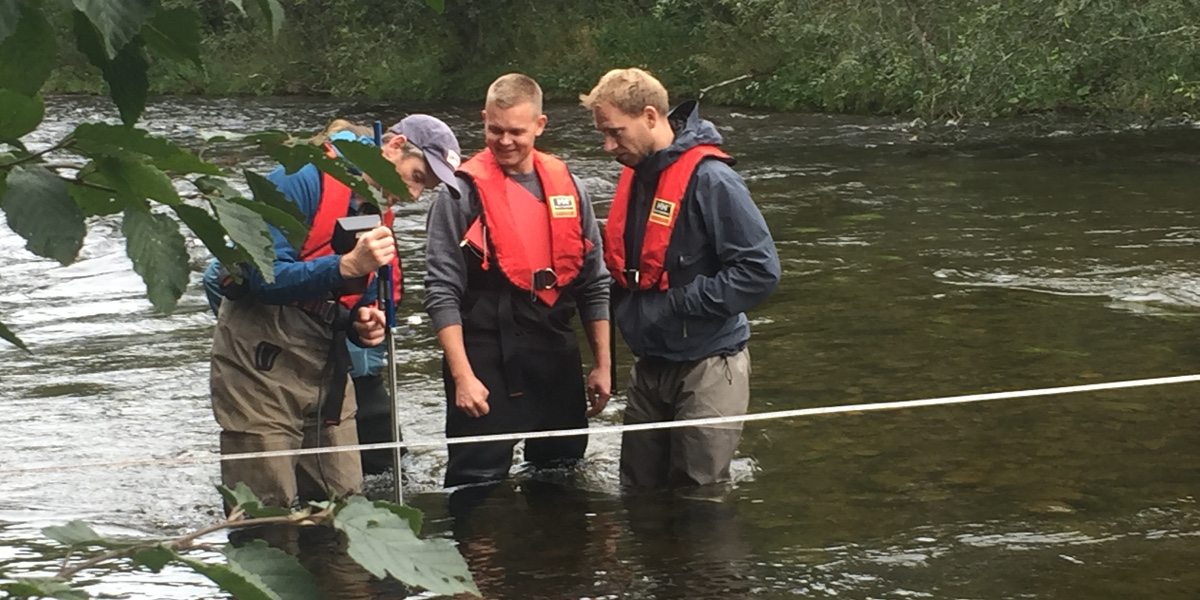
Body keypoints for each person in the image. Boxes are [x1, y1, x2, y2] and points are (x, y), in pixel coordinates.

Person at [210, 114, 463, 508]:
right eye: (416, 177)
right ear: (393, 148)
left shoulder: (378, 205)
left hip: (326, 360)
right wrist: (344, 267)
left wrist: (365, 319)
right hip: (258, 356)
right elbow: (263, 275)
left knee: (346, 504)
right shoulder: (301, 177)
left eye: (425, 188)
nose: (415, 194)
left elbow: (356, 288)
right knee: (266, 504)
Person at [580, 68, 781, 495]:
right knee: (639, 491)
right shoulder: (638, 175)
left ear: (650, 116)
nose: (608, 146)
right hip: (650, 366)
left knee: (699, 495)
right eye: (604, 134)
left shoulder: (713, 180)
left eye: (615, 132)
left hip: (708, 364)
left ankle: (704, 567)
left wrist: (676, 305)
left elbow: (760, 272)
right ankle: (658, 565)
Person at [424, 73, 612, 489]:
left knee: (561, 475)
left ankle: (551, 553)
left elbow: (594, 283)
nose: (504, 141)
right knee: (475, 482)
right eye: (494, 130)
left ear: (540, 126)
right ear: (483, 120)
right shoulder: (458, 194)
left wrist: (603, 364)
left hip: (554, 349)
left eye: (516, 132)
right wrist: (463, 377)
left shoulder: (571, 187)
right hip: (485, 354)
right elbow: (441, 290)